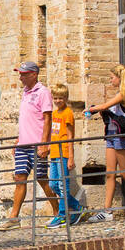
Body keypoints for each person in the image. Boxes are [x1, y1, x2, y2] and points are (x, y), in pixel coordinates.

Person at [0, 61, 59, 230]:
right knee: (19, 178)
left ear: (34, 74)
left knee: (42, 179)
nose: (20, 77)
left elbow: (47, 118)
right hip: (24, 144)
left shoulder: (43, 92)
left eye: (23, 74)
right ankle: (13, 218)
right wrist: (19, 139)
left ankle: (58, 212)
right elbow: (27, 119)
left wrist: (45, 144)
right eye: (20, 74)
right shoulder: (25, 92)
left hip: (37, 144)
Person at [86, 63, 125, 221]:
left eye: (112, 77)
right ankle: (107, 211)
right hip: (112, 135)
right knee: (110, 173)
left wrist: (91, 109)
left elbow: (105, 106)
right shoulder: (119, 94)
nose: (111, 80)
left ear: (119, 78)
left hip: (122, 136)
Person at [44, 83, 85, 227]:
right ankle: (76, 206)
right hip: (54, 153)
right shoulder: (54, 114)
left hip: (64, 153)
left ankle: (62, 214)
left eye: (60, 98)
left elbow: (70, 136)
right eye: (55, 98)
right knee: (53, 184)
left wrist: (71, 157)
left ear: (66, 98)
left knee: (63, 185)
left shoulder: (68, 113)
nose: (57, 101)